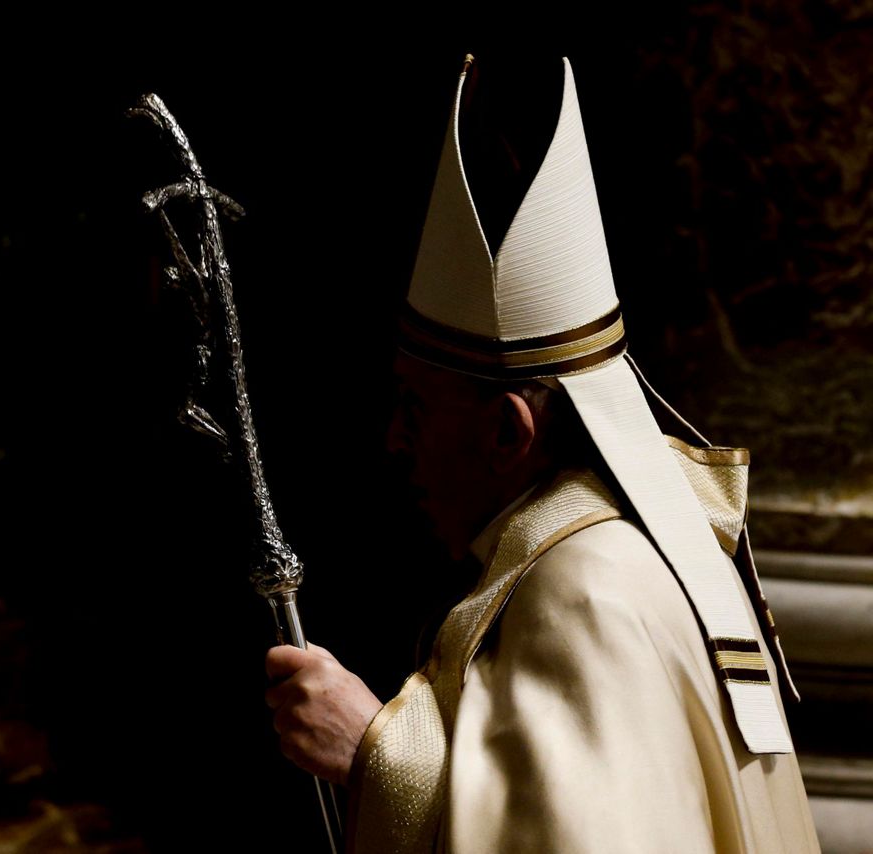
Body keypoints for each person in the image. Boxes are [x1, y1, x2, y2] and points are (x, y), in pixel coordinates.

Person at [264, 55, 821, 853]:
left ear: (507, 433)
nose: (394, 440)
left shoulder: (583, 593)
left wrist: (374, 759)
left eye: (416, 408)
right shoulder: (625, 555)